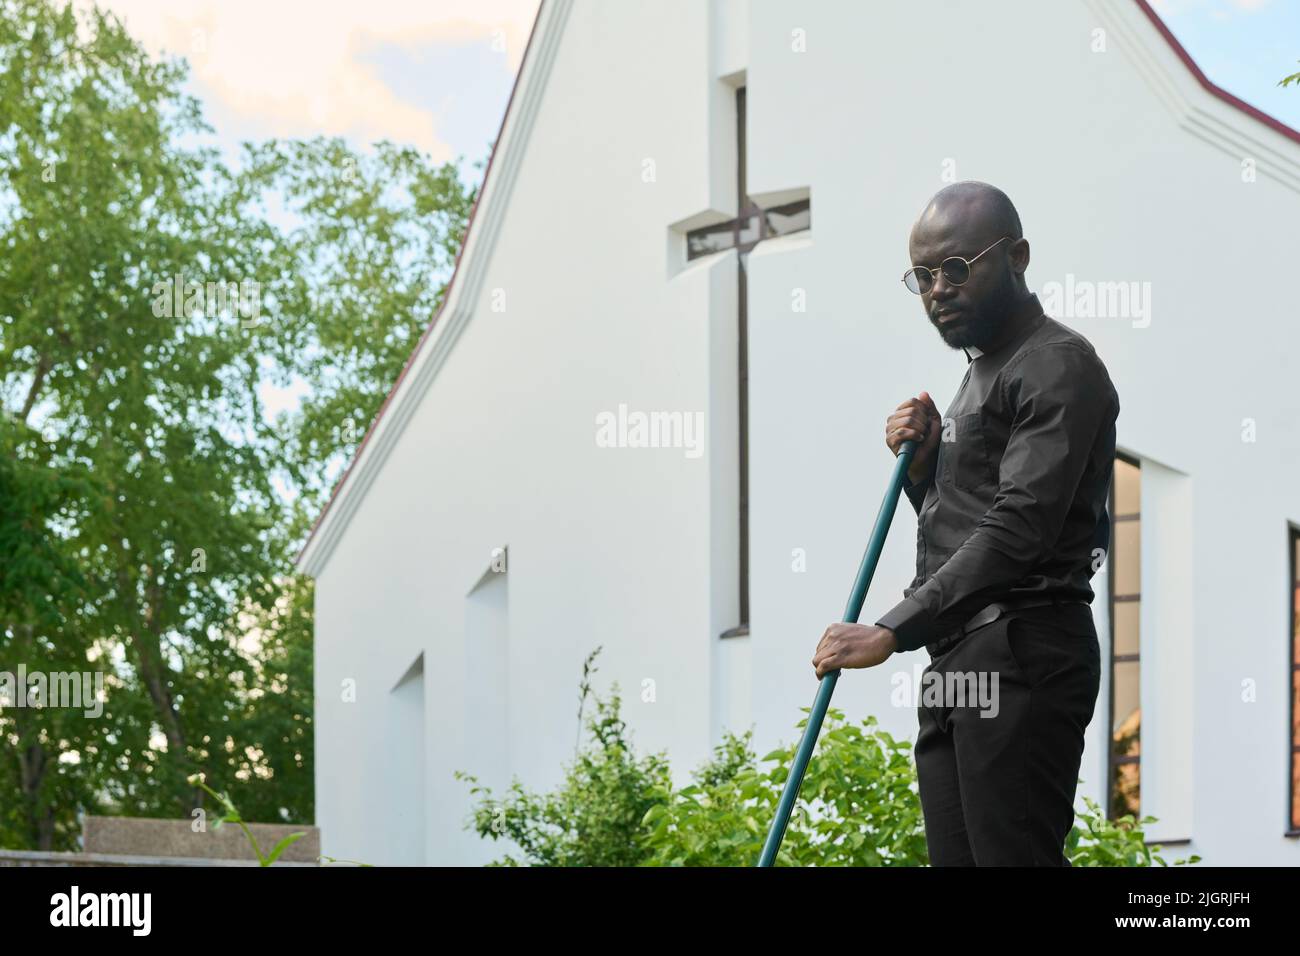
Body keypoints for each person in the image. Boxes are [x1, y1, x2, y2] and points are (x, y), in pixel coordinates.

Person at [810, 181, 1120, 866]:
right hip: (956, 659)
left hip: (1021, 650)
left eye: (955, 267)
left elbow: (1020, 528)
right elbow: (969, 521)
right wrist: (924, 473)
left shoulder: (1056, 363)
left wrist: (892, 628)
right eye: (922, 276)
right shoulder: (979, 375)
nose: (937, 290)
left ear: (1017, 257)